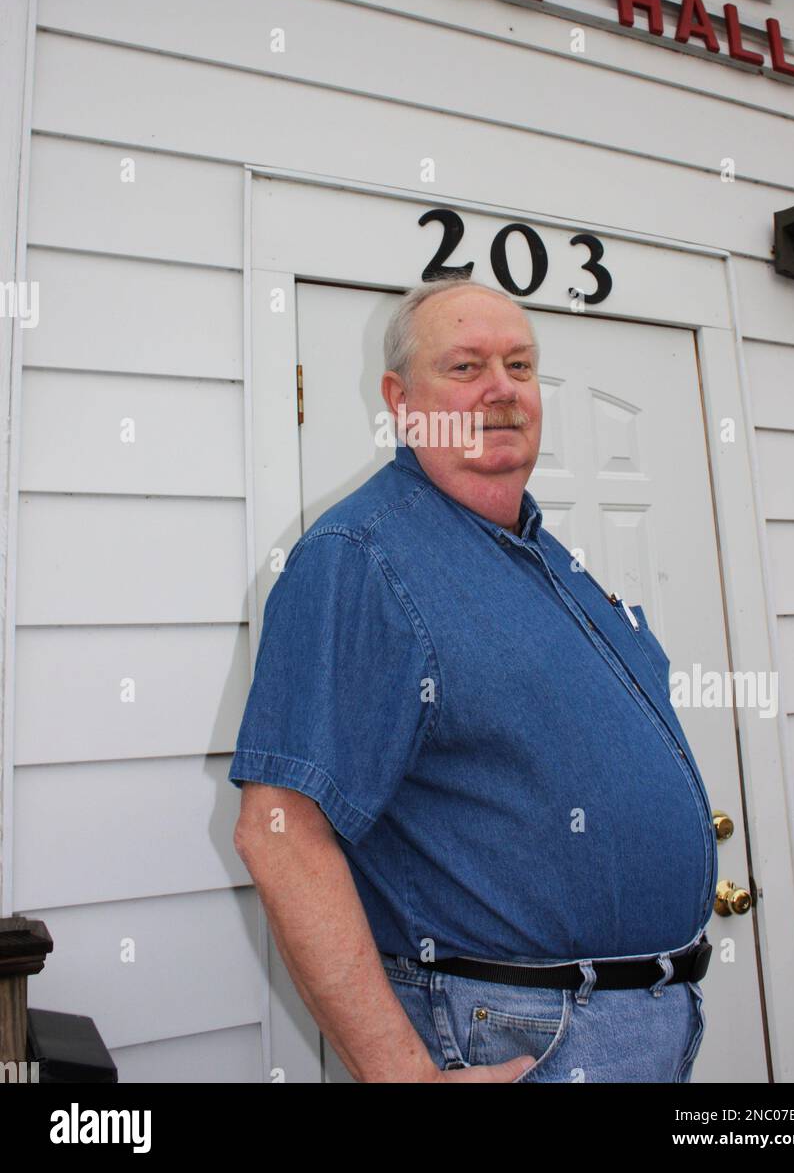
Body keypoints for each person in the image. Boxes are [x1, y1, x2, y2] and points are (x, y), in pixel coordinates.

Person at [229, 278, 715, 1083]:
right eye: (465, 367)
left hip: (647, 1020)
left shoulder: (546, 557)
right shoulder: (361, 560)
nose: (501, 388)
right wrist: (403, 1077)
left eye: (519, 366)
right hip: (521, 1039)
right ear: (400, 398)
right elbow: (278, 831)